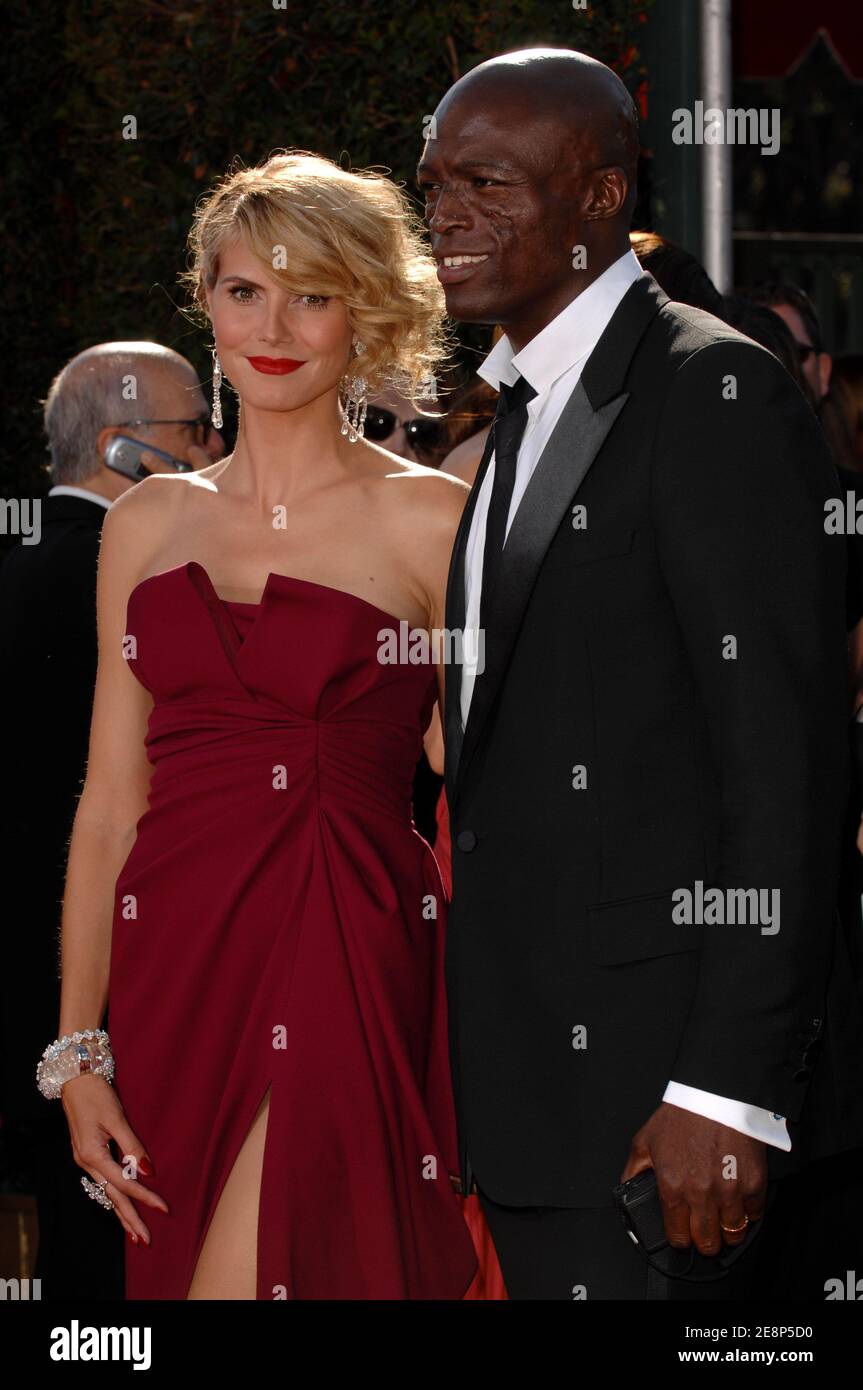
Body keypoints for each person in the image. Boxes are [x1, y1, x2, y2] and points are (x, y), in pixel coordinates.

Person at [419, 47, 863, 1299]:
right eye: (435, 183)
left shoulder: (707, 387)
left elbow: (784, 766)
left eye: (488, 184)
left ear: (601, 196)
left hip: (663, 1112)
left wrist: (723, 1089)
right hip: (538, 1100)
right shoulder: (521, 409)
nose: (446, 214)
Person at [43, 151, 482, 1299]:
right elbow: (111, 803)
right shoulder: (144, 524)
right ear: (207, 303)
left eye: (311, 294)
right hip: (173, 964)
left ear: (363, 313)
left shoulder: (434, 521)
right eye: (245, 291)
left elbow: (485, 782)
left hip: (343, 936)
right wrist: (78, 1050)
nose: (273, 328)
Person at [0, 341, 217, 1298]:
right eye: (197, 429)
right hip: (112, 981)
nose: (215, 449)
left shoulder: (17, 561)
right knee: (119, 1243)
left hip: (40, 988)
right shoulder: (142, 571)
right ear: (123, 448)